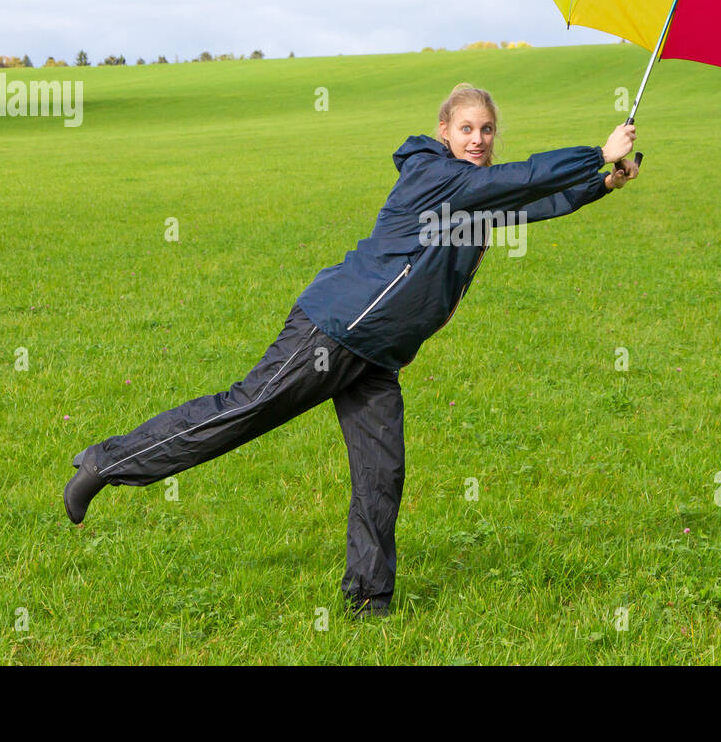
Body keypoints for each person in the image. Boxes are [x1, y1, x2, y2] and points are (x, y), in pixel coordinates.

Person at [63, 82, 641, 618]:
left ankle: (369, 598)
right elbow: (518, 180)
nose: (478, 140)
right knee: (243, 411)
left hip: (379, 353)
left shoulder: (471, 196)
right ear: (444, 131)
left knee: (381, 471)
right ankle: (105, 463)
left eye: (487, 130)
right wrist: (596, 149)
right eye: (467, 128)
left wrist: (602, 182)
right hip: (333, 332)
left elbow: (526, 203)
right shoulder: (434, 177)